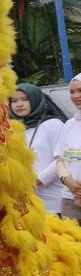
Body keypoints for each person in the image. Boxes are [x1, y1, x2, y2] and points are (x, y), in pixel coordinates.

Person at [10, 83, 64, 216]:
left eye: (25, 99)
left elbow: (62, 159)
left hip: (54, 202)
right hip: (27, 203)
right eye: (14, 100)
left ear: (35, 99)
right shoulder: (12, 129)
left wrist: (37, 181)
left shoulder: (53, 124)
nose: (19, 104)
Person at [54, 74, 81, 222]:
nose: (76, 96)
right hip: (70, 199)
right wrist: (67, 180)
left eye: (80, 91)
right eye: (72, 92)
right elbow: (59, 158)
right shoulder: (70, 124)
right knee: (73, 243)